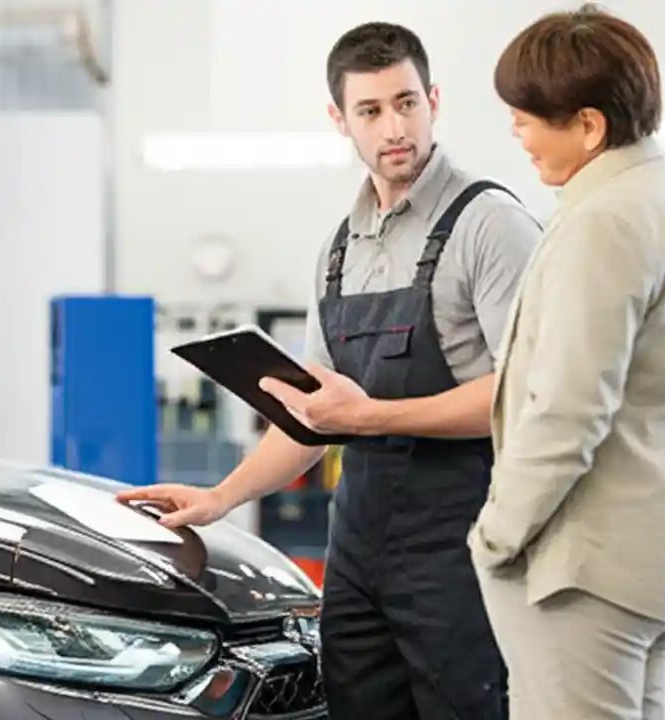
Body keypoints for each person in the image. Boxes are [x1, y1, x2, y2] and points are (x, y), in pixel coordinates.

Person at [118, 21, 541, 720]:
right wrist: (220, 498)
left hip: (463, 547)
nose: (394, 126)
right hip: (357, 550)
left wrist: (370, 417)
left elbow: (526, 393)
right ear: (340, 120)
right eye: (371, 111)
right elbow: (311, 416)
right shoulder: (338, 250)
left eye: (407, 102)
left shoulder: (489, 224)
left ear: (434, 99)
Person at [465, 5, 665, 719]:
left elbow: (571, 406)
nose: (516, 132)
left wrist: (496, 535)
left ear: (588, 125)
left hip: (583, 575)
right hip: (651, 564)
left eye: (526, 117)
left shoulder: (605, 217)